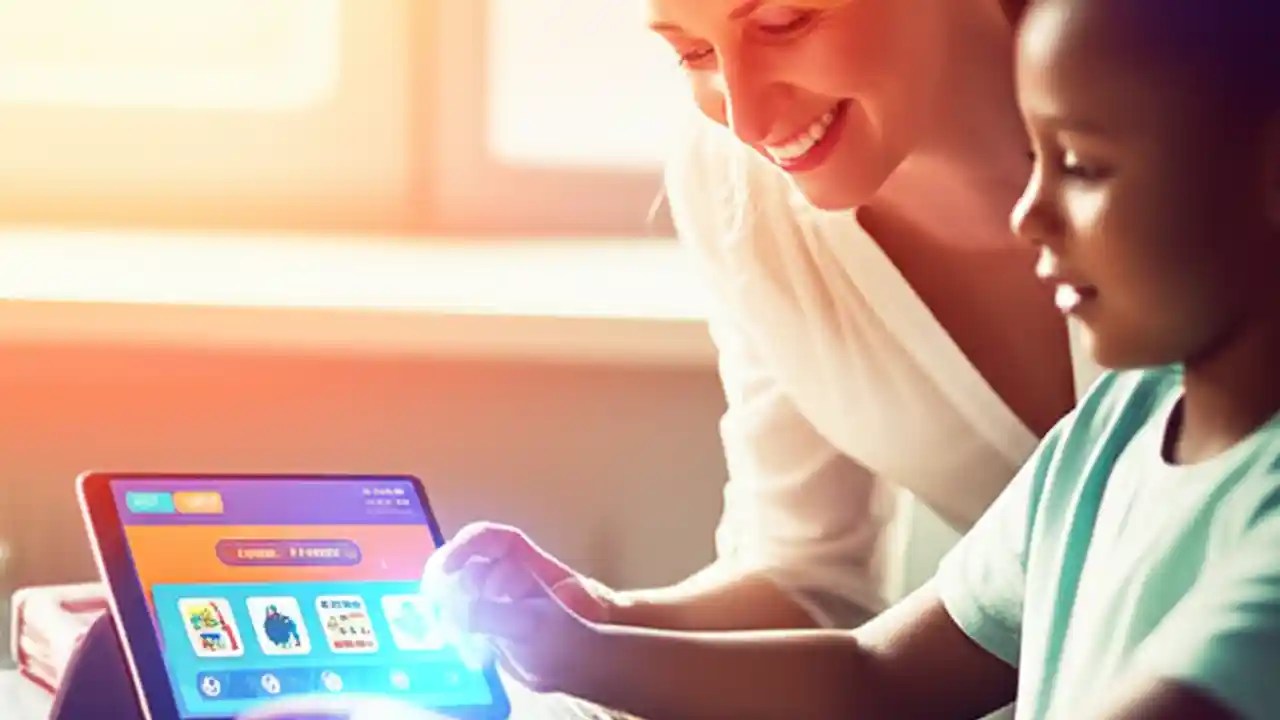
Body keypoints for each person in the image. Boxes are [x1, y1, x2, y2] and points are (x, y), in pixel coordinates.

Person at [430, 0, 1280, 718]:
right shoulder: (1104, 436)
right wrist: (581, 641)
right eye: (690, 51)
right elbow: (865, 658)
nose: (746, 119)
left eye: (783, 20)